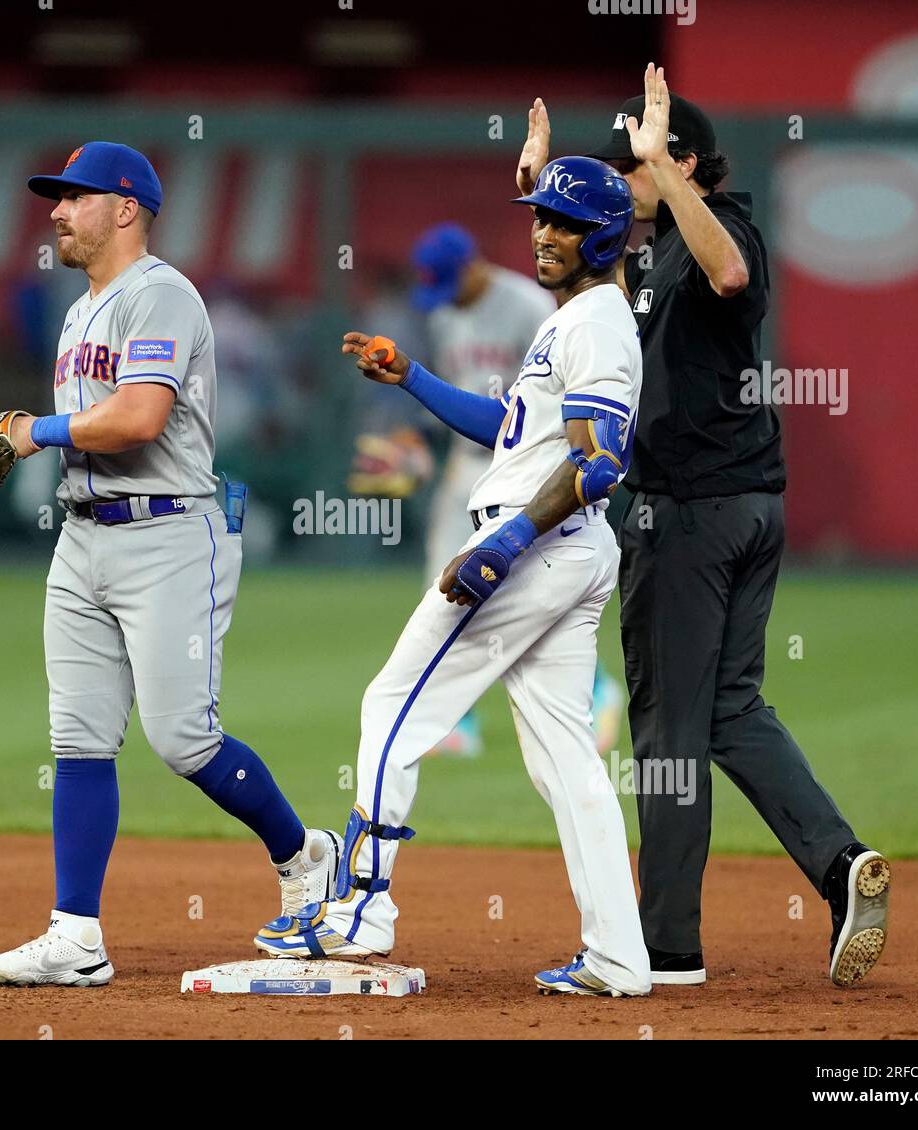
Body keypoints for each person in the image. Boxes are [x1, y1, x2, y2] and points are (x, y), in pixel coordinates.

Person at [517, 66, 890, 989]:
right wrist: (533, 190)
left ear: (683, 160)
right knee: (729, 710)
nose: (623, 176)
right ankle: (843, 868)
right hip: (741, 504)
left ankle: (667, 947)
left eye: (636, 160)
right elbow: (587, 275)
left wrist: (667, 178)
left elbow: (727, 269)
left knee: (668, 733)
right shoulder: (651, 255)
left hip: (691, 514)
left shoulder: (728, 235)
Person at [255, 157, 652, 998]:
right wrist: (412, 379)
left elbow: (599, 464)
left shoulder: (596, 323)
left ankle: (362, 912)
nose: (543, 232)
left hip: (537, 549)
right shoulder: (577, 315)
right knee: (565, 759)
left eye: (564, 222)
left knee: (393, 703)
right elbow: (512, 428)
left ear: (607, 235)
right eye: (539, 216)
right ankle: (619, 953)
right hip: (562, 550)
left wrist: (504, 546)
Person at [0, 142, 339, 987]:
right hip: (83, 536)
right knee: (78, 739)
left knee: (182, 739)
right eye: (53, 199)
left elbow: (137, 418)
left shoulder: (162, 294)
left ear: (124, 208)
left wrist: (34, 432)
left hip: (170, 537)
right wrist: (23, 439)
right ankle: (75, 936)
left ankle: (305, 853)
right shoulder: (79, 311)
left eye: (74, 197)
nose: (55, 211)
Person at [409, 222, 557, 757]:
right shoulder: (445, 314)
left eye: (451, 282)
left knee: (524, 592)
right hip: (466, 465)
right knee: (441, 586)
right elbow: (457, 397)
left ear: (473, 265)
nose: (444, 298)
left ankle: (592, 690)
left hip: (525, 465)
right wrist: (423, 453)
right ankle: (456, 721)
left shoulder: (529, 305)